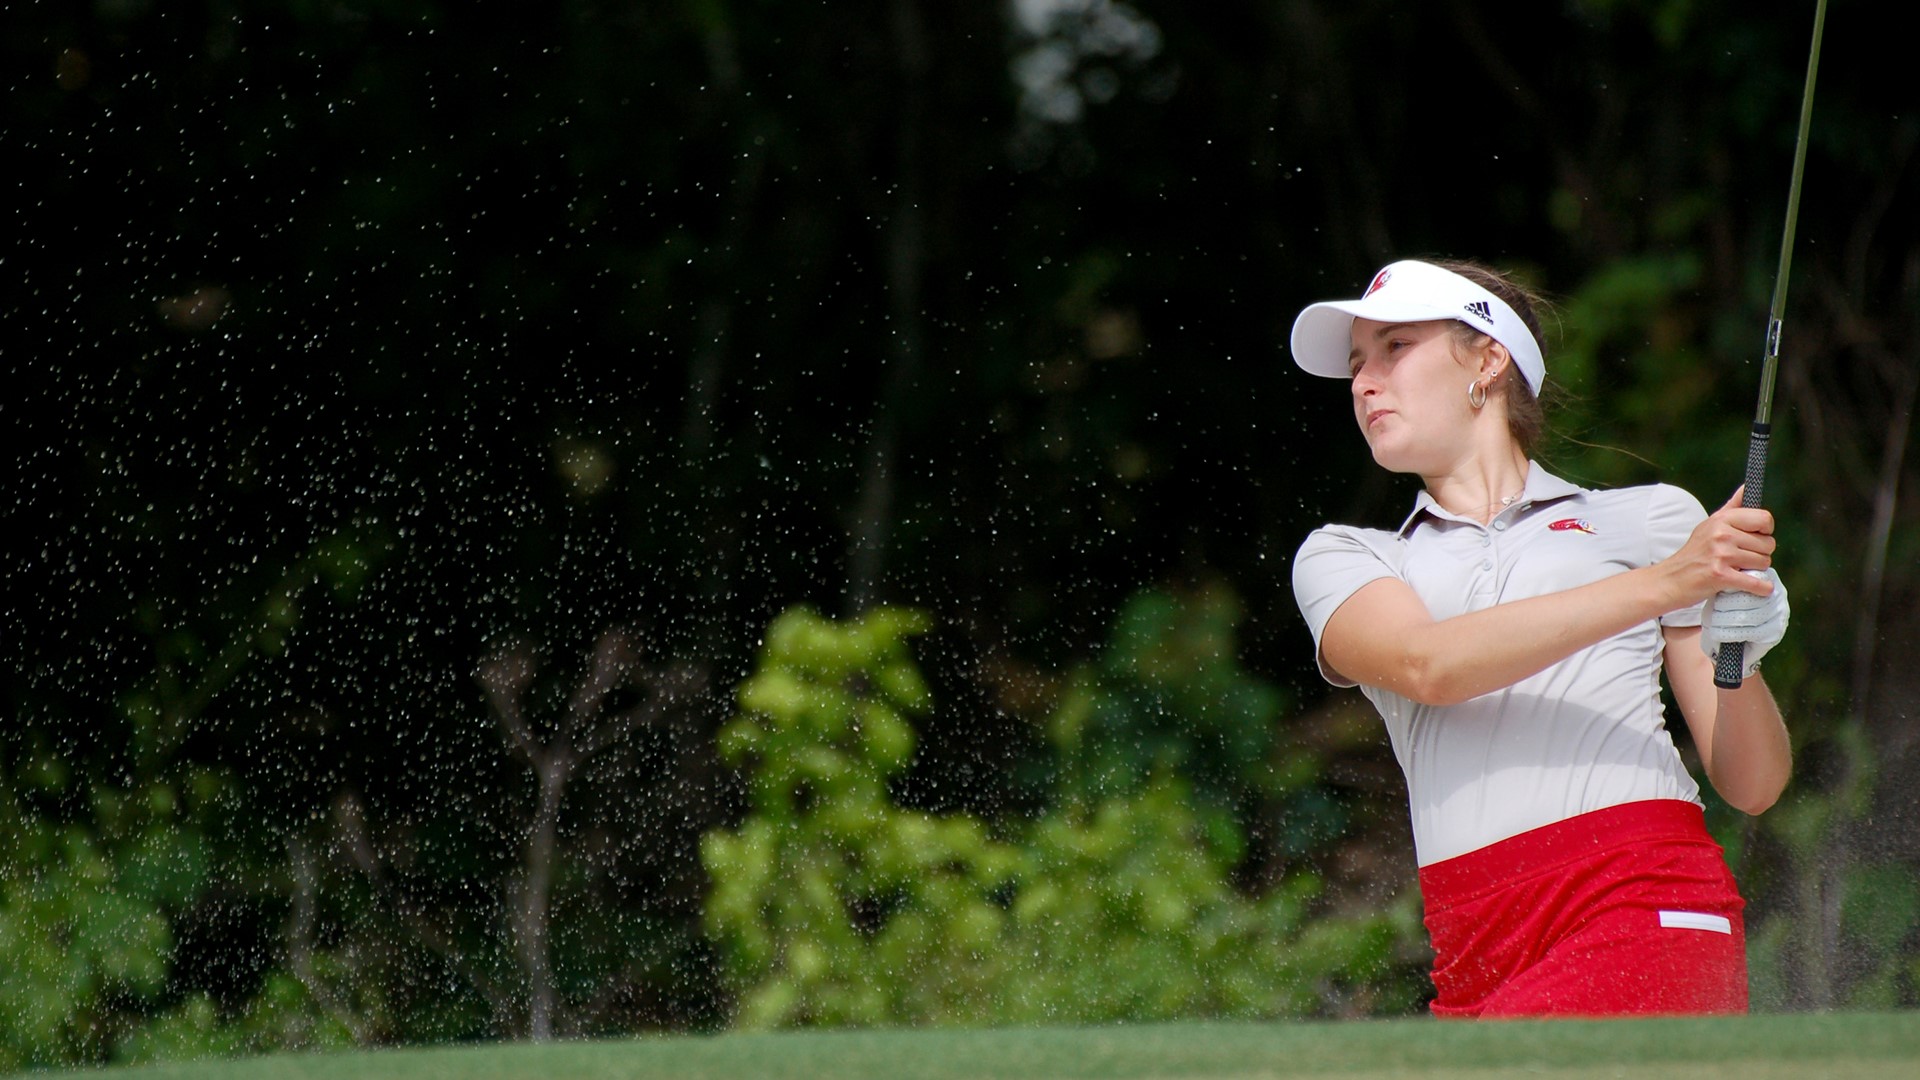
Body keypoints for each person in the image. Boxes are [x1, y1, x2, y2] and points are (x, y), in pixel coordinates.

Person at [1286, 258, 1792, 1018]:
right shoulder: (1348, 557)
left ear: (1488, 360)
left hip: (1642, 892)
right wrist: (1672, 582)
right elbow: (1431, 667)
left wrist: (1738, 660)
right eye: (1358, 364)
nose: (1363, 382)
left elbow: (1754, 784)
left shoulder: (1652, 520)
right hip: (1472, 943)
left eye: (1394, 347)